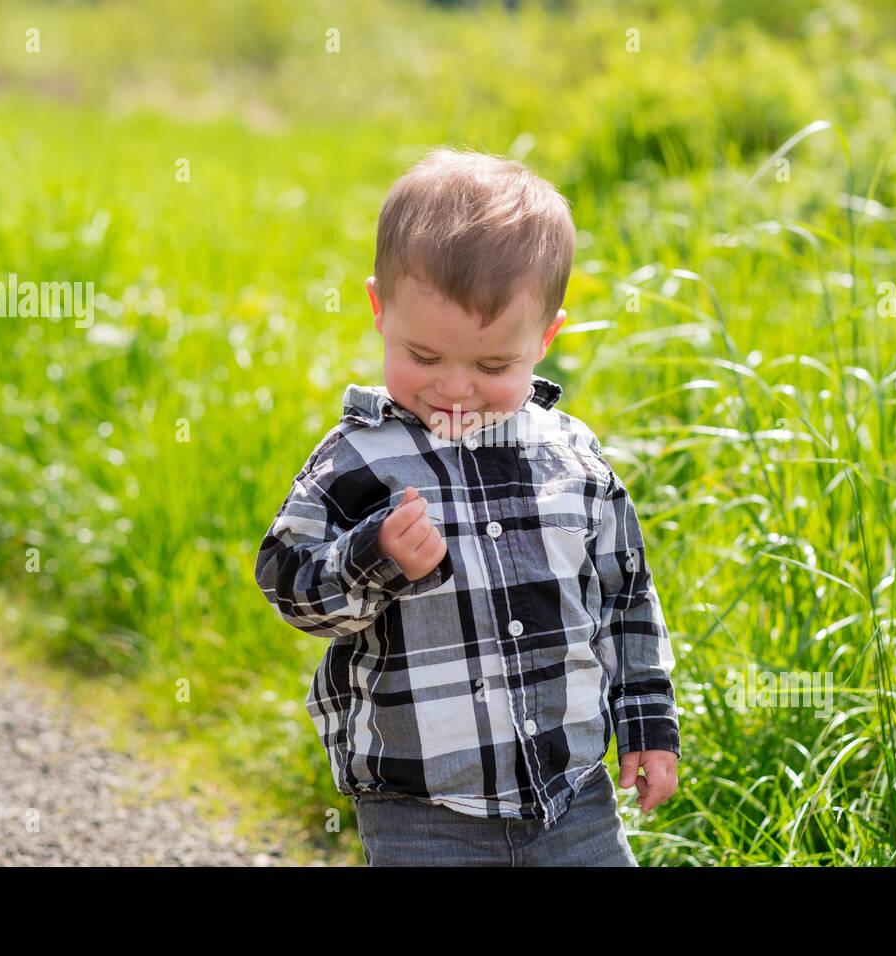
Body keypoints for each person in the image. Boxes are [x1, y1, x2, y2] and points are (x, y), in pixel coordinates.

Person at [255, 146, 680, 866]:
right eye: (423, 356)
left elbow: (626, 597)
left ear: (545, 340)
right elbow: (290, 588)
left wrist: (645, 722)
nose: (454, 389)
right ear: (378, 310)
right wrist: (374, 558)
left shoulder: (571, 457)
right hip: (422, 812)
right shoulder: (360, 459)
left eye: (492, 366)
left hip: (572, 797)